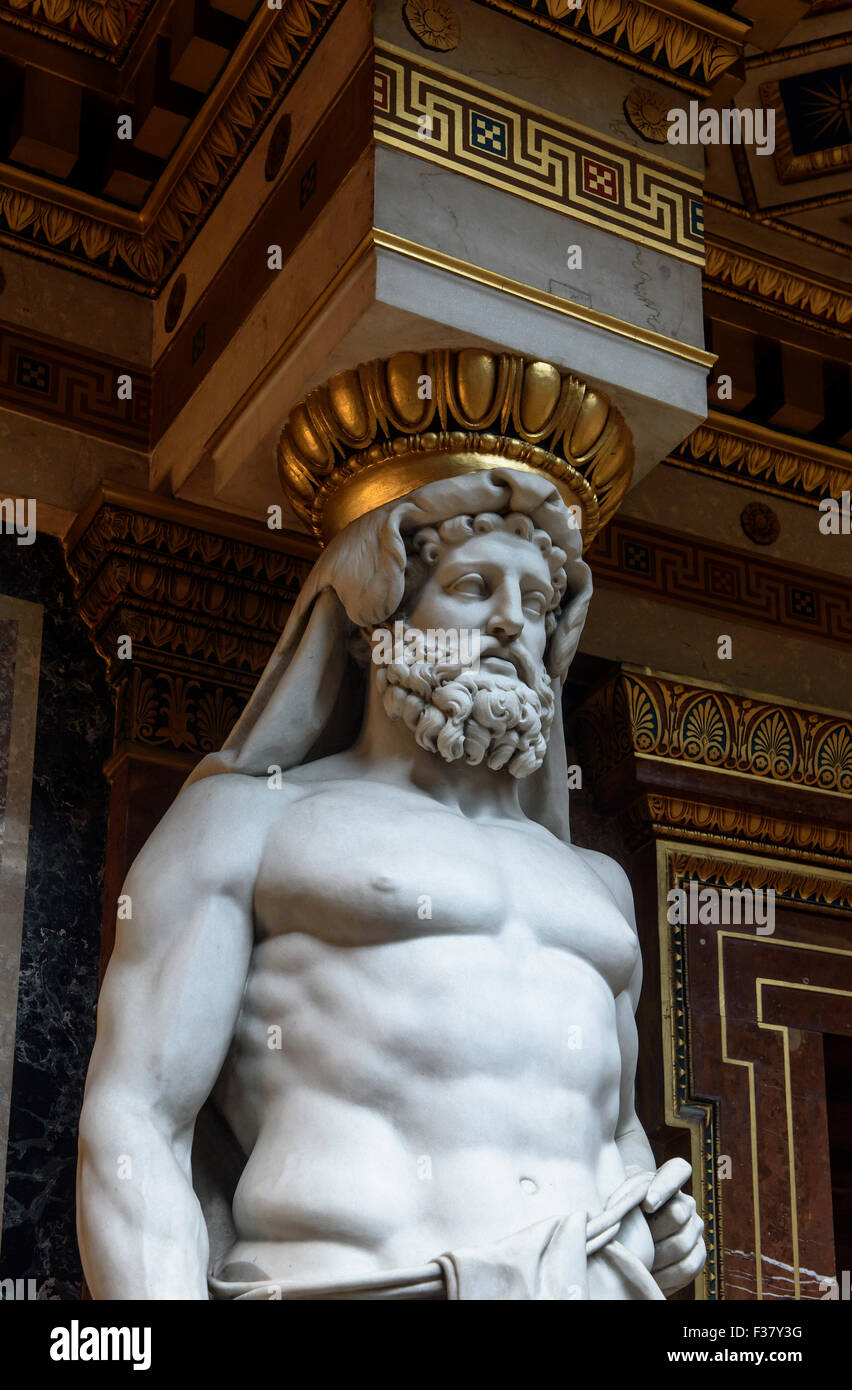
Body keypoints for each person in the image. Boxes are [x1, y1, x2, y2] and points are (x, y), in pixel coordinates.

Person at [77, 468, 705, 1300]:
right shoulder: (251, 822)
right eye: (472, 586)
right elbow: (137, 1122)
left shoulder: (595, 884)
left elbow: (615, 1127)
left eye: (538, 601)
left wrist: (652, 1224)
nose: (513, 620)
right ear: (377, 626)